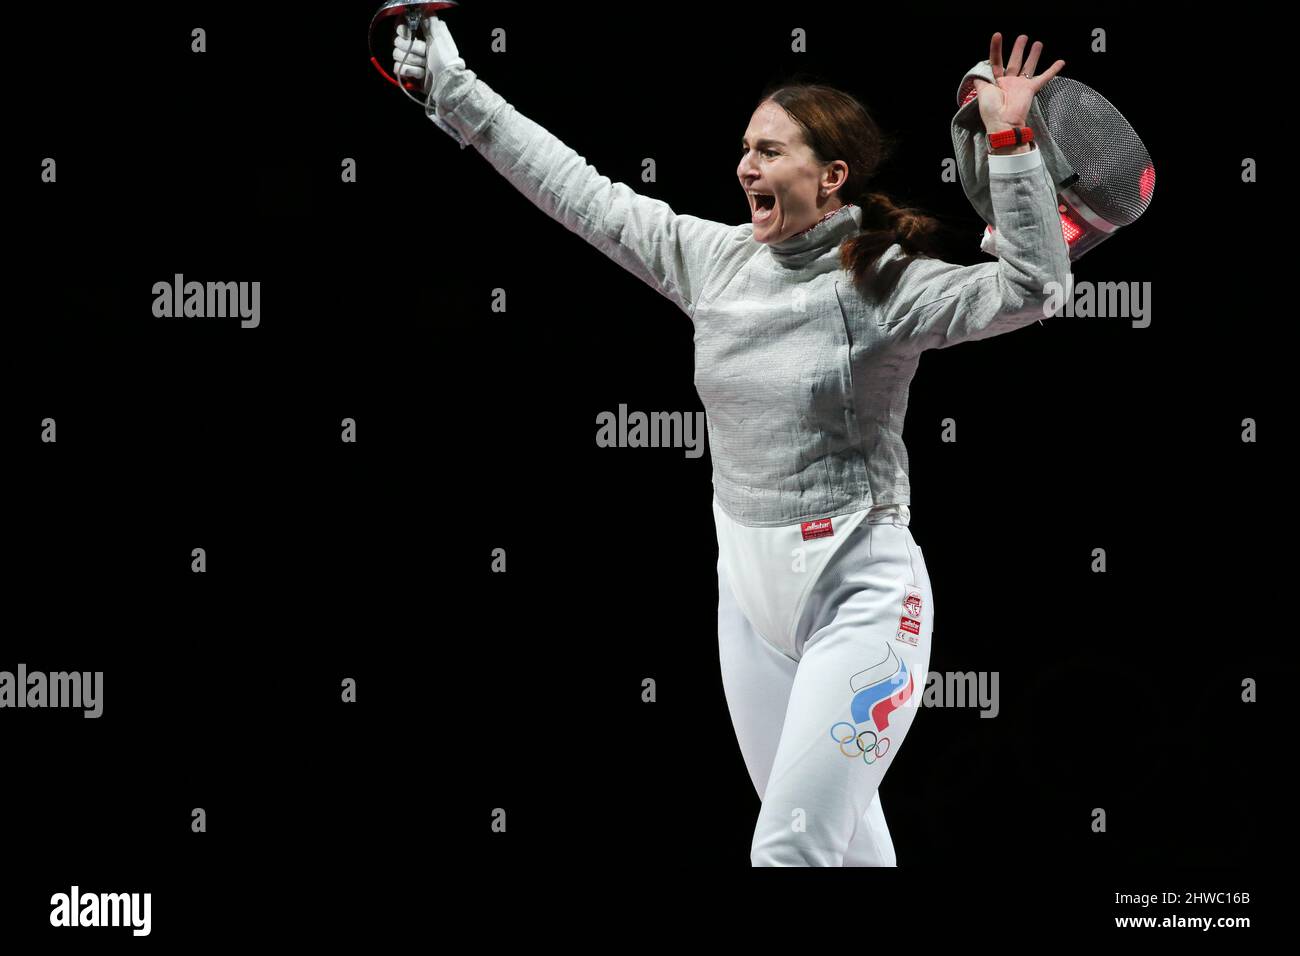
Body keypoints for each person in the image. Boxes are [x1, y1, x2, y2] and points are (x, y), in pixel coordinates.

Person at [394, 24, 1070, 866]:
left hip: (862, 604)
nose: (746, 166)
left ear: (831, 177)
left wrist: (1009, 143)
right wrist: (454, 92)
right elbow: (580, 192)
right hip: (748, 606)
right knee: (848, 850)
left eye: (771, 151)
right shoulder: (714, 262)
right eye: (745, 148)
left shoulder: (885, 283)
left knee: (788, 851)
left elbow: (1035, 288)